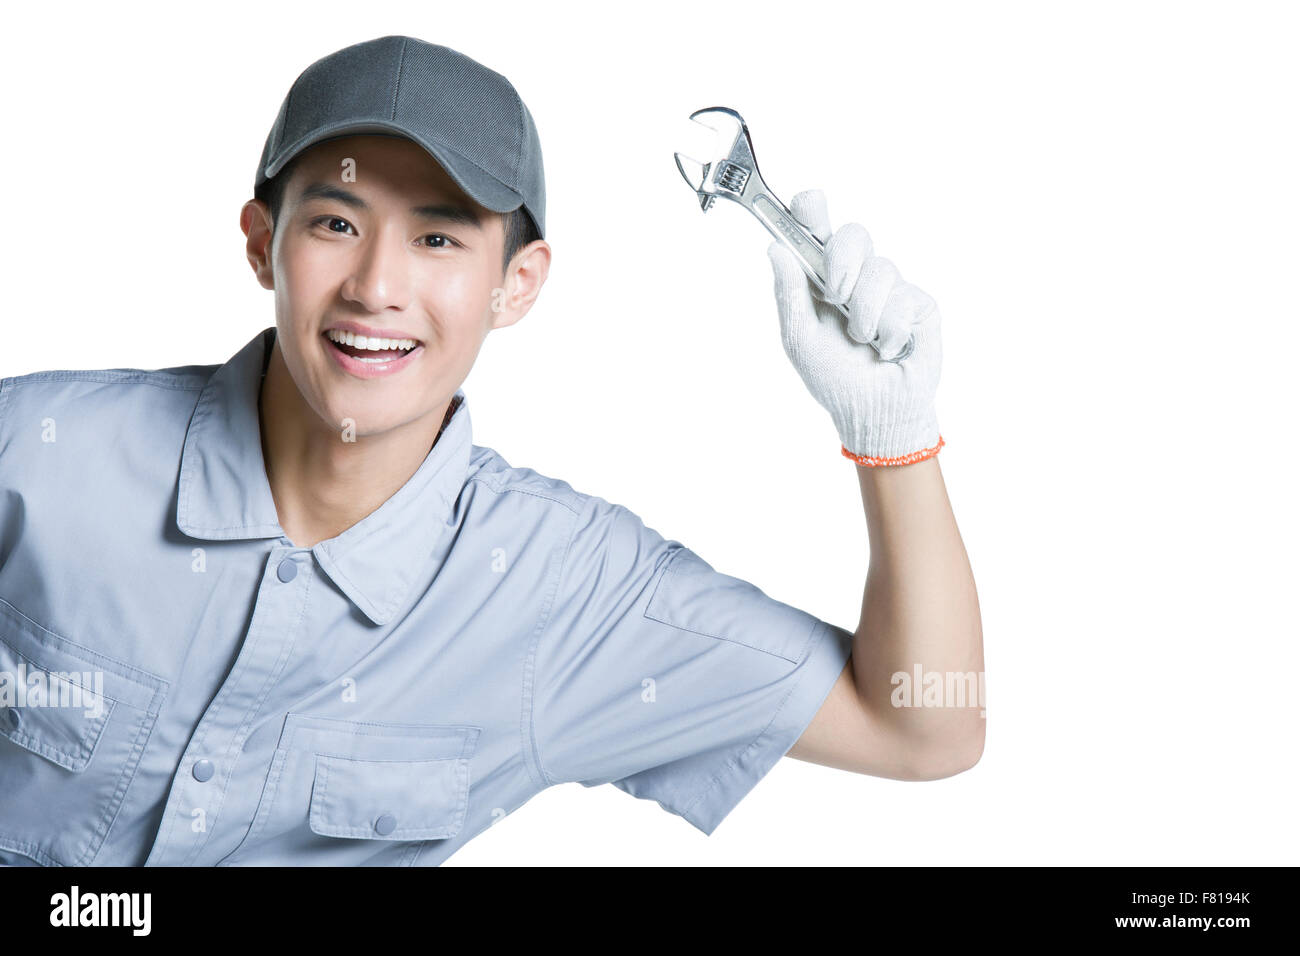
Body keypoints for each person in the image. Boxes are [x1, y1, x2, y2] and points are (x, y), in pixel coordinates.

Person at [0, 35, 983, 867]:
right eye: (337, 223)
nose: (376, 286)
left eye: (439, 239)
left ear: (518, 285)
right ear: (262, 242)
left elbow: (920, 725)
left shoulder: (566, 595)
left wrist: (890, 434)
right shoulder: (37, 455)